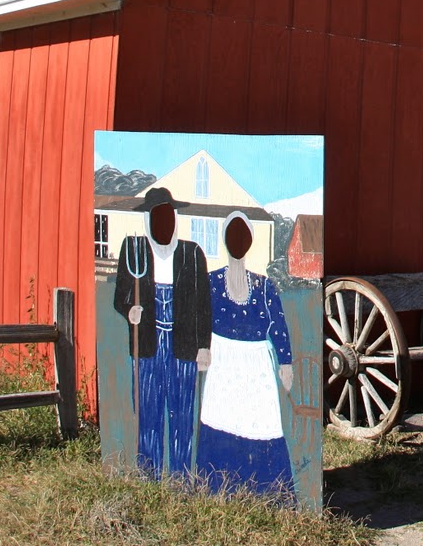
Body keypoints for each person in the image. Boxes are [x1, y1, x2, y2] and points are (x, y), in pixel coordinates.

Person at [112, 185, 211, 478]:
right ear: (148, 219)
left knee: (182, 414)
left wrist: (203, 347)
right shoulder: (134, 250)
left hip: (183, 346)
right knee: (149, 414)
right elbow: (120, 295)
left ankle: (181, 479)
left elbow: (203, 305)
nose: (163, 224)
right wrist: (130, 309)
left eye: (168, 216)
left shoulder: (192, 254)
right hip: (147, 347)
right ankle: (148, 475)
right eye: (157, 217)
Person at [197, 210, 296, 497]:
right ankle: (217, 489)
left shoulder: (265, 287)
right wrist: (203, 349)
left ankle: (266, 492)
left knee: (259, 424)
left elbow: (278, 326)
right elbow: (202, 319)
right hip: (223, 364)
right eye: (232, 236)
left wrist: (285, 362)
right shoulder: (211, 282)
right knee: (222, 419)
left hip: (256, 368)